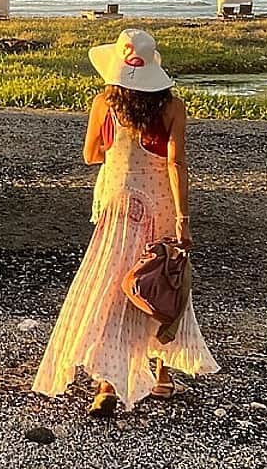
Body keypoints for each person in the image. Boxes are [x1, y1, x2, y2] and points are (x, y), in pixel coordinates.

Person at [32, 29, 219, 415]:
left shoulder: (105, 103)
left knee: (114, 286)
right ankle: (163, 376)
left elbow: (90, 155)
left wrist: (114, 142)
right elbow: (176, 164)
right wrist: (184, 219)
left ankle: (107, 385)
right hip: (162, 204)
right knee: (162, 282)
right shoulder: (172, 108)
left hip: (118, 204)